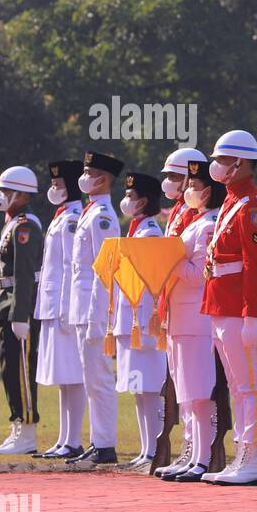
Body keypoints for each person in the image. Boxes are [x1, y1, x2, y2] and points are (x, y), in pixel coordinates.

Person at [200, 129, 257, 486]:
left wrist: (251, 315)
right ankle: (241, 454)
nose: (216, 168)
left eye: (221, 161)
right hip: (222, 303)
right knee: (237, 385)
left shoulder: (254, 208)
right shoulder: (233, 203)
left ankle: (254, 457)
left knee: (252, 386)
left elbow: (254, 265)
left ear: (241, 163)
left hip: (240, 309)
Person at [158, 160, 224, 482]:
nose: (187, 192)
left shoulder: (208, 226)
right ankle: (193, 455)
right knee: (186, 391)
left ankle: (203, 457)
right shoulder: (194, 224)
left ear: (207, 191)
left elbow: (199, 275)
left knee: (199, 393)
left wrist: (166, 263)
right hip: (179, 317)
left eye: (193, 187)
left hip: (196, 318)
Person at [150, 145, 209, 471]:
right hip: (174, 308)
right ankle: (189, 449)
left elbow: (193, 268)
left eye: (179, 178)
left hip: (193, 311)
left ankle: (198, 452)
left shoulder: (198, 218)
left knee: (196, 387)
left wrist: (164, 260)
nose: (174, 184)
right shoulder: (181, 214)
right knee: (183, 386)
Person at [69, 151, 122, 464]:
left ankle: (105, 445)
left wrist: (98, 317)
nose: (85, 176)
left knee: (99, 377)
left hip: (95, 310)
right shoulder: (92, 211)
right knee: (91, 377)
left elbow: (106, 271)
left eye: (90, 172)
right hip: (82, 306)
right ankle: (98, 441)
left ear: (103, 179)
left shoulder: (104, 216)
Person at [112, 173, 168, 467]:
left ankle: (158, 447)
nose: (126, 201)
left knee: (151, 388)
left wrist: (147, 324)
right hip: (129, 318)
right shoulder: (135, 232)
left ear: (144, 201)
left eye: (131, 196)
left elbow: (151, 285)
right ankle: (147, 449)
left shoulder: (150, 234)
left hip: (144, 321)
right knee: (137, 388)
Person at [32, 160, 86, 460]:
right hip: (53, 304)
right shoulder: (61, 216)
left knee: (73, 376)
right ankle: (65, 438)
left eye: (59, 184)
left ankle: (74, 439)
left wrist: (67, 309)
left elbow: (70, 267)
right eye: (53, 184)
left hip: (64, 307)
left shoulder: (71, 219)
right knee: (62, 379)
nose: (54, 189)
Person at [0, 166, 42, 455]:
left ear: (21, 195)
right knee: (10, 369)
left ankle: (28, 431)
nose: (1, 196)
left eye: (7, 191)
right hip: (5, 304)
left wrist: (21, 315)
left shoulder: (25, 226)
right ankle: (17, 425)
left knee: (22, 371)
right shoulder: (11, 223)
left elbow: (23, 274)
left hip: (19, 307)